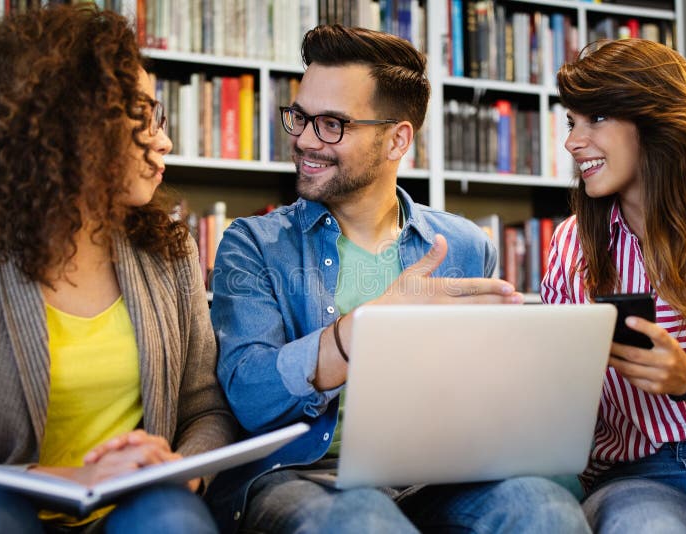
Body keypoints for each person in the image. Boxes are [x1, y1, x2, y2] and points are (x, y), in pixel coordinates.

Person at [207, 24, 591, 534]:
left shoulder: (464, 246)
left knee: (544, 506)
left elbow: (481, 401)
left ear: (397, 139)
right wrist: (356, 332)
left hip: (437, 477)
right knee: (365, 521)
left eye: (331, 124)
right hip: (304, 475)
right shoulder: (253, 243)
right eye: (299, 117)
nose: (303, 139)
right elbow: (248, 398)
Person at [0, 5, 237, 533]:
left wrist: (180, 471)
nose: (163, 140)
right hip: (2, 509)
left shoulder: (171, 252)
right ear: (71, 126)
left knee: (173, 519)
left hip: (140, 511)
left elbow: (207, 410)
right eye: (141, 115)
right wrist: (70, 477)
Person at [542, 38, 686, 533]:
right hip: (640, 475)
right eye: (570, 122)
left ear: (657, 118)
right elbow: (560, 405)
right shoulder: (571, 247)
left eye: (596, 117)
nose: (572, 142)